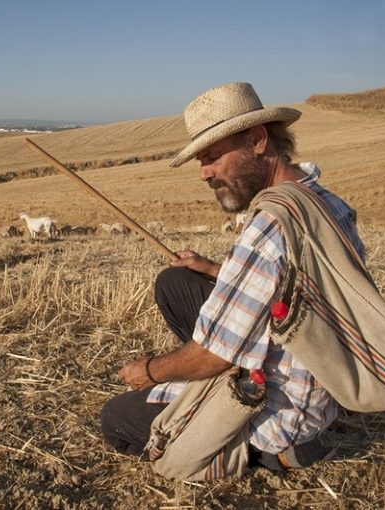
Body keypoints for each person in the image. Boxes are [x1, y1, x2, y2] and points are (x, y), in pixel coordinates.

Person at [100, 82, 366, 469]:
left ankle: (267, 452)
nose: (204, 173)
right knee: (176, 284)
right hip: (322, 377)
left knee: (117, 419)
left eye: (212, 157)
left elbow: (214, 355)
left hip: (280, 410)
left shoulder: (270, 224)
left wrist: (150, 371)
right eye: (200, 161)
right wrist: (211, 269)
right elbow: (291, 282)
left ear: (258, 139)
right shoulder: (323, 200)